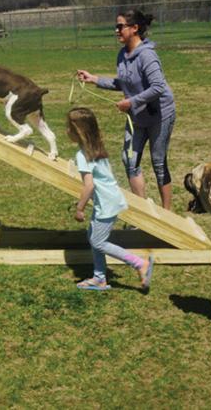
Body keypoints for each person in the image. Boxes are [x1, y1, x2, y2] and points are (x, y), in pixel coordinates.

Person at [76, 8, 177, 210]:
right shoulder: (122, 55)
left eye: (120, 26)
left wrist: (131, 102)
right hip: (138, 117)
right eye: (116, 26)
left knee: (158, 162)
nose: (116, 30)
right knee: (129, 160)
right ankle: (142, 211)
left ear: (134, 28)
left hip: (160, 115)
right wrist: (94, 79)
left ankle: (168, 215)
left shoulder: (147, 55)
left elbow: (157, 87)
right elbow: (123, 83)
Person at [67, 107, 154, 291]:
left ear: (79, 132)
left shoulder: (82, 155)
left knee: (98, 241)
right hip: (111, 199)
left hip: (107, 204)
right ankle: (99, 278)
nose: (66, 131)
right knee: (94, 236)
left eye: (69, 128)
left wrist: (80, 208)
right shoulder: (96, 147)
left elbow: (89, 185)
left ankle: (139, 264)